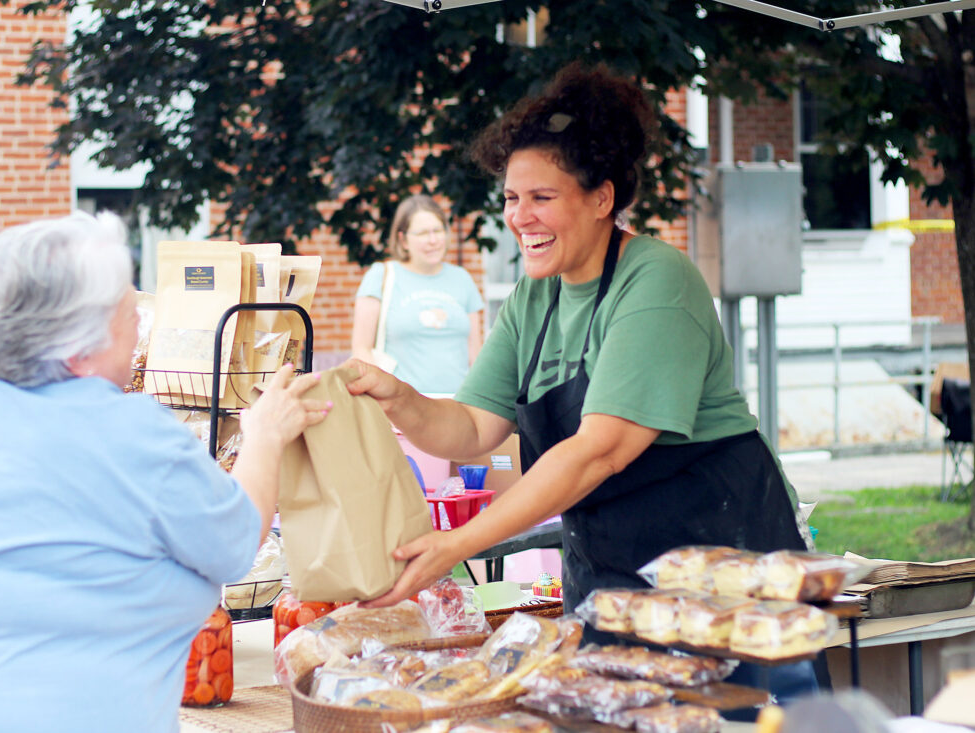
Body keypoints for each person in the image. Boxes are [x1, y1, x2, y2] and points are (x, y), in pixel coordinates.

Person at [345, 62, 816, 707]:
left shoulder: (657, 282)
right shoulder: (532, 301)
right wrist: (397, 397)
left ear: (602, 198)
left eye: (542, 198)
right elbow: (473, 429)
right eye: (512, 198)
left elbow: (600, 449)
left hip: (722, 583)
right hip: (611, 583)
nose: (520, 217)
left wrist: (456, 544)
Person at [0, 212, 329, 733]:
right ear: (76, 346)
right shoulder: (130, 432)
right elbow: (234, 541)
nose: (139, 317)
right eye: (123, 307)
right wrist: (266, 434)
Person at [351, 194, 485, 394]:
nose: (433, 240)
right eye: (422, 233)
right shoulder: (381, 276)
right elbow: (361, 350)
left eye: (437, 230)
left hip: (459, 406)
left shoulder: (462, 279)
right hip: (401, 409)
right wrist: (382, 396)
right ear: (403, 239)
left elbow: (477, 357)